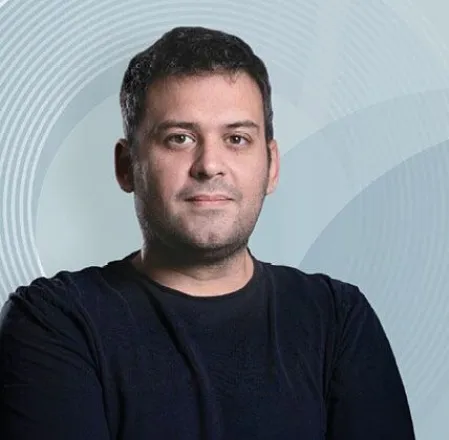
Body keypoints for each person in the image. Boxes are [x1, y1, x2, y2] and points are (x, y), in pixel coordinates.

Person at [0, 26, 415, 439]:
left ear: (271, 165)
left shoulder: (338, 320)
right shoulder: (54, 321)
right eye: (179, 138)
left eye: (237, 138)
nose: (210, 165)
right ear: (127, 166)